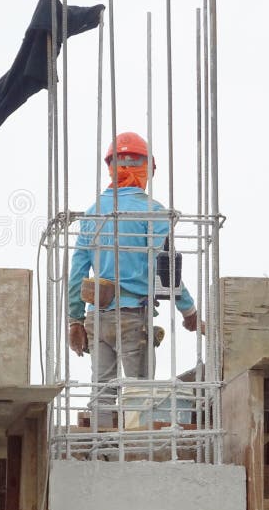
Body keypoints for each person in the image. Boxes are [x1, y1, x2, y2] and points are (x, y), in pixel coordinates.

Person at [67, 132, 198, 425]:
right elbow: (167, 272)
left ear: (111, 168)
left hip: (97, 319)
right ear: (148, 169)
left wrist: (74, 320)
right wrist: (188, 311)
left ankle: (99, 453)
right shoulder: (153, 213)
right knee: (140, 392)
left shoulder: (93, 213)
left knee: (101, 390)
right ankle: (136, 452)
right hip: (133, 317)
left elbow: (77, 271)